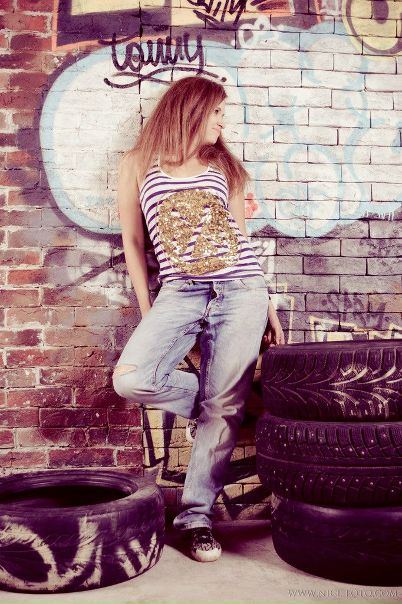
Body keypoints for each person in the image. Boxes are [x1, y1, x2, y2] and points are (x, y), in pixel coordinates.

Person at [112, 76, 285, 563]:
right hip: (180, 291)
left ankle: (195, 519)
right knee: (133, 378)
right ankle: (231, 407)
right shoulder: (138, 163)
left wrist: (267, 305)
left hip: (241, 291)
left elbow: (240, 236)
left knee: (221, 406)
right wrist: (149, 310)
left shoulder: (224, 166)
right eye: (217, 113)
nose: (222, 123)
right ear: (191, 110)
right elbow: (133, 242)